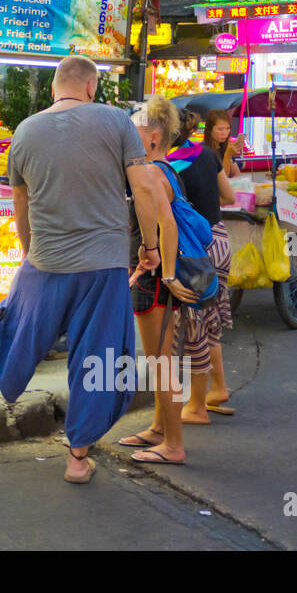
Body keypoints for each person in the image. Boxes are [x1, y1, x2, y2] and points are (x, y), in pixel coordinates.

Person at [0, 56, 170, 484]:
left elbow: (21, 204)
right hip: (105, 263)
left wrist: (29, 253)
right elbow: (145, 186)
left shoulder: (24, 131)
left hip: (47, 260)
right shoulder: (116, 121)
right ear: (91, 86)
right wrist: (149, 247)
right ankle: (77, 458)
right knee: (98, 355)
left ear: (57, 86)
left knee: (15, 320)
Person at [116, 97, 200, 466]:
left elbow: (167, 225)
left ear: (152, 137)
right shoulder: (168, 170)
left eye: (134, 134)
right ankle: (159, 428)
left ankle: (174, 445)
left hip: (154, 280)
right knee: (161, 358)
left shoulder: (149, 172)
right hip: (159, 277)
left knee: (161, 361)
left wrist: (164, 273)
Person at [167, 110, 238, 421]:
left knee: (193, 324)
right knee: (210, 321)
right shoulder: (207, 154)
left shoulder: (167, 165)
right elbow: (230, 195)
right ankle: (218, 389)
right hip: (220, 240)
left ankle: (195, 406)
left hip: (195, 250)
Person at [202, 109, 244, 179]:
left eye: (227, 128)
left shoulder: (224, 147)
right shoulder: (204, 151)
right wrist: (227, 155)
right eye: (220, 129)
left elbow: (237, 176)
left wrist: (229, 154)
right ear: (209, 130)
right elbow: (222, 181)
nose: (225, 133)